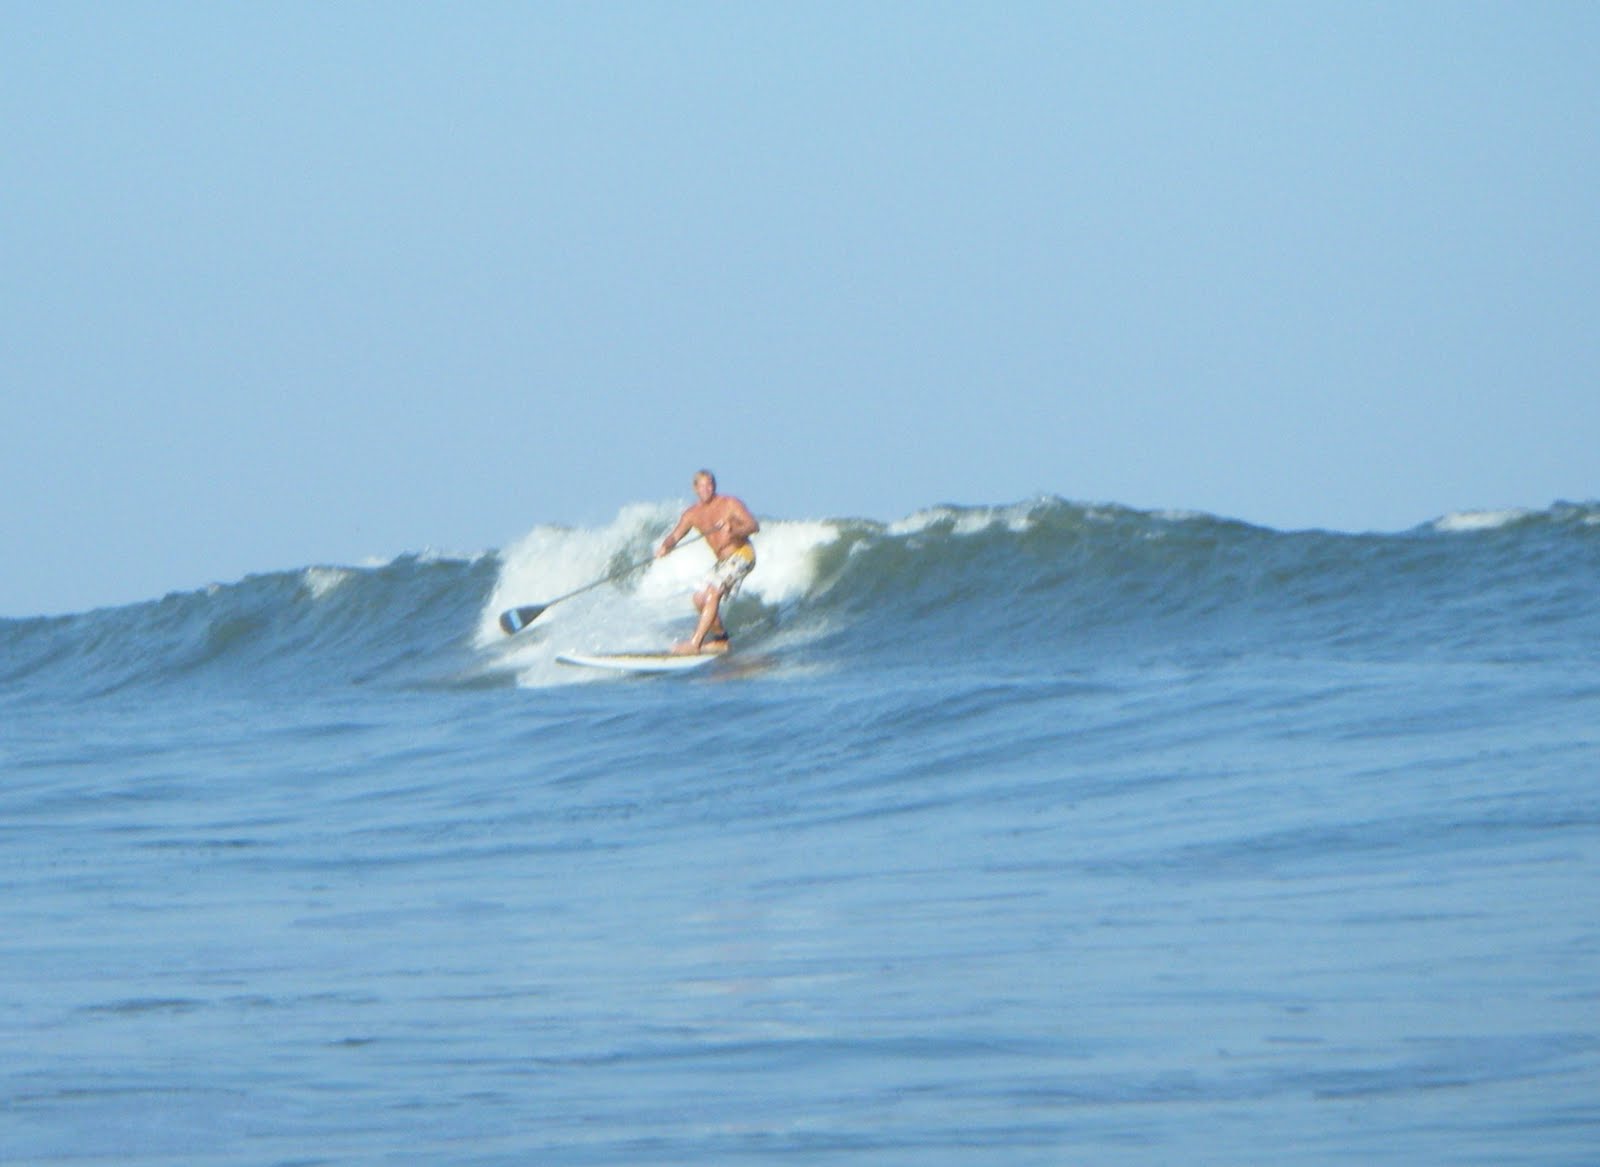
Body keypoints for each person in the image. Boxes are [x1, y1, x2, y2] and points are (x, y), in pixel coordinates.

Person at [657, 469, 759, 654]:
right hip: (723, 562)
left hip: (742, 554)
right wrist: (666, 546)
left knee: (713, 593)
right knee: (699, 599)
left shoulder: (729, 504)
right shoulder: (692, 514)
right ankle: (721, 640)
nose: (707, 489)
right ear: (695, 488)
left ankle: (694, 644)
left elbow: (753, 525)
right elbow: (675, 536)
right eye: (702, 485)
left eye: (710, 484)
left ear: (715, 486)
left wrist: (734, 530)